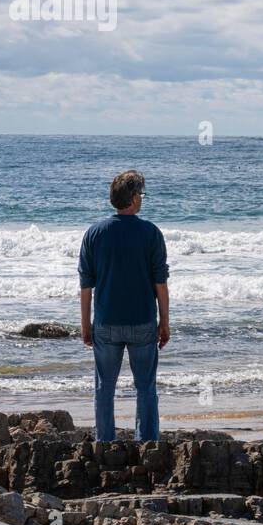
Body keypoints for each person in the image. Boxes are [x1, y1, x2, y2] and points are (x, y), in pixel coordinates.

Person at [78, 170, 170, 442]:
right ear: (132, 198)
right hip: (142, 321)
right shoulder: (151, 233)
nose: (142, 199)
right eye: (140, 194)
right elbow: (160, 283)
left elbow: (86, 285)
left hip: (106, 323)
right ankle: (148, 444)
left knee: (104, 387)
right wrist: (164, 321)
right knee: (146, 388)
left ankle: (105, 444)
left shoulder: (94, 233)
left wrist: (85, 324)